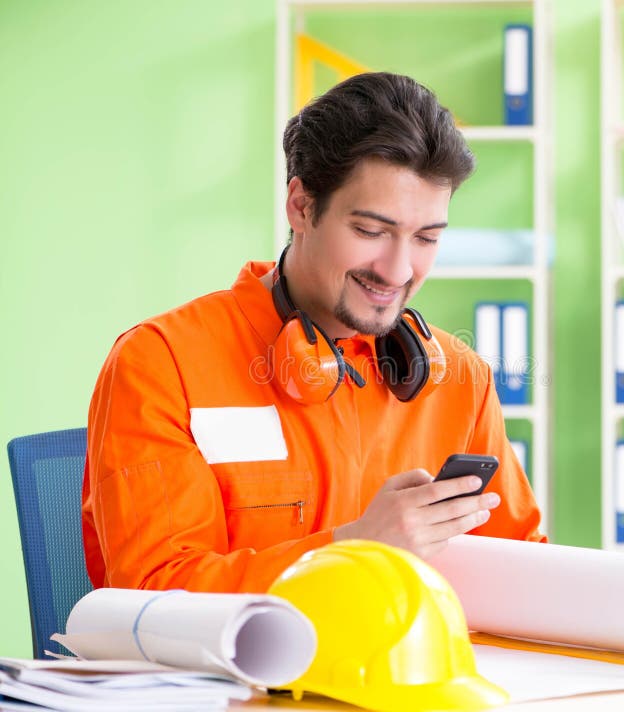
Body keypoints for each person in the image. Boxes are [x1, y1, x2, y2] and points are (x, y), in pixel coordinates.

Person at [82, 72, 545, 593]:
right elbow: (152, 593)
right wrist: (353, 550)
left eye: (426, 238)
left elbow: (525, 573)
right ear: (302, 206)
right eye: (370, 231)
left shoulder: (462, 378)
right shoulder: (162, 364)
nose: (397, 270)